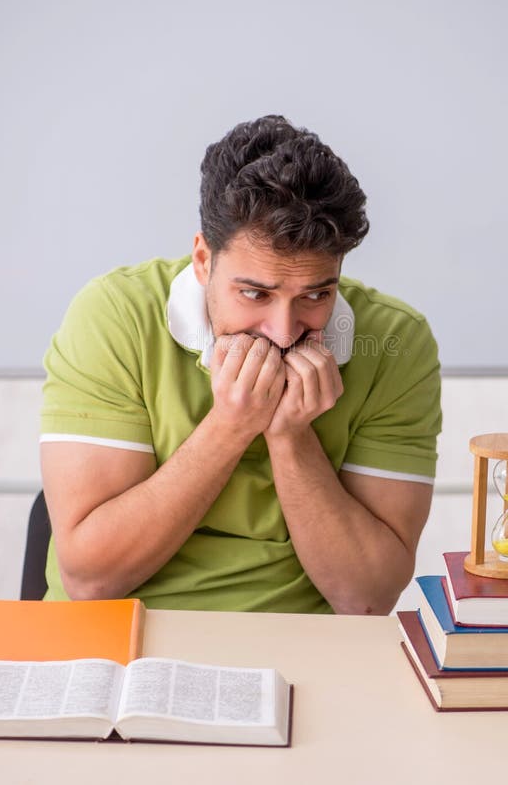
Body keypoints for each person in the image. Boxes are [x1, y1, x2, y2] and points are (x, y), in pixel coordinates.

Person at [40, 114, 441, 614]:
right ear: (204, 260)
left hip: (306, 643)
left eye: (316, 293)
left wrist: (291, 437)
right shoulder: (114, 317)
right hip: (118, 632)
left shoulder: (396, 341)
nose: (283, 329)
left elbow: (366, 600)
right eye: (255, 293)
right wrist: (231, 425)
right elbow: (90, 581)